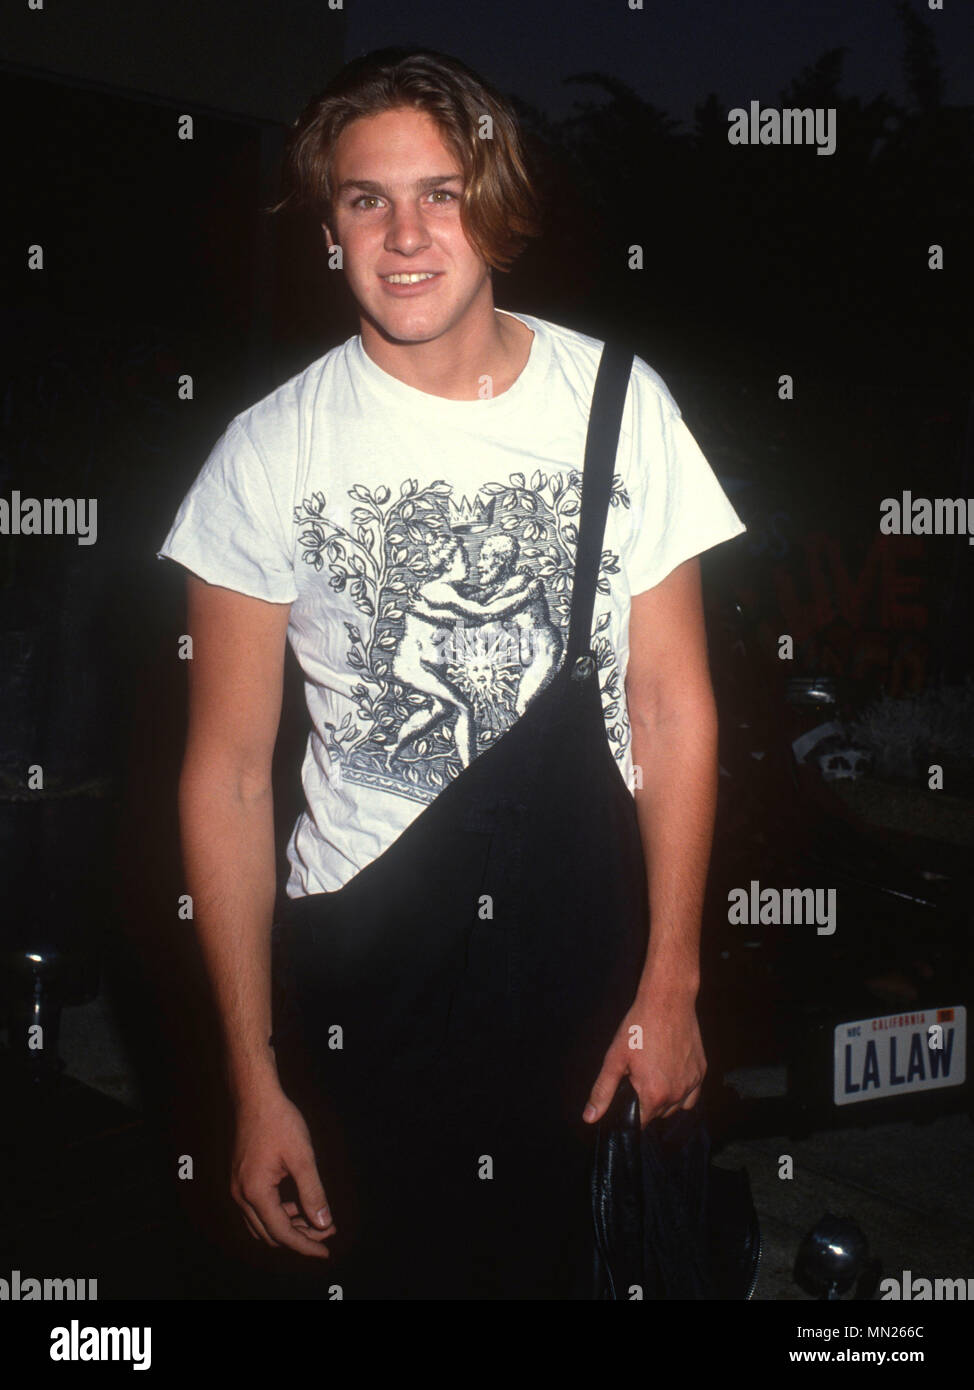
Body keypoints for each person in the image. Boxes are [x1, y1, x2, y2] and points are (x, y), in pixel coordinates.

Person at [156, 46, 746, 1299]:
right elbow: (226, 776)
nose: (406, 232)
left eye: (442, 191)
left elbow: (671, 704)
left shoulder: (619, 406)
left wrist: (673, 980)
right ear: (328, 229)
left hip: (583, 964)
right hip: (362, 979)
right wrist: (252, 1081)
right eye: (368, 199)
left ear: (499, 211)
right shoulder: (265, 453)